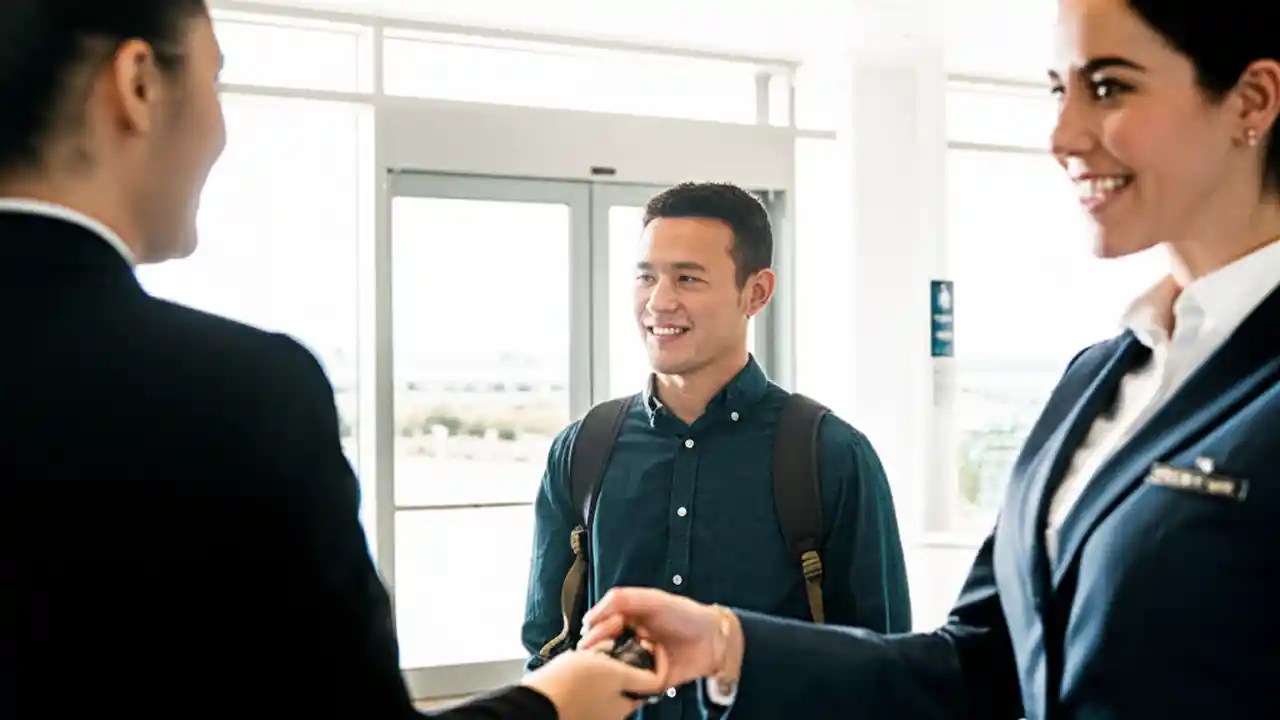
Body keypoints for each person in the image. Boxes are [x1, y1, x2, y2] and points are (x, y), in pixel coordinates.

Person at [580, 0, 1280, 718]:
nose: (1063, 134)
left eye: (1109, 87)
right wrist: (726, 643)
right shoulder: (1100, 376)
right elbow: (977, 659)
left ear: (1251, 101)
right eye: (1056, 90)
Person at [0, 2, 661, 719]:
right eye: (216, 82)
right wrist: (555, 701)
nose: (221, 132)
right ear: (137, 84)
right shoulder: (237, 396)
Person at [523, 182, 912, 718]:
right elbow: (547, 647)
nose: (659, 301)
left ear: (756, 293)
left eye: (687, 278)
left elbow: (883, 664)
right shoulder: (583, 450)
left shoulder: (832, 456)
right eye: (646, 276)